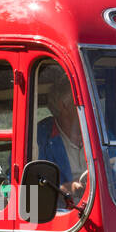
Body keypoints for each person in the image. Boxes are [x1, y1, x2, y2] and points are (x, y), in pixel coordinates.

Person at [34, 67, 87, 206]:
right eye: (83, 100)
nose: (88, 106)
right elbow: (24, 186)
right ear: (63, 105)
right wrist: (65, 189)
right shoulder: (40, 137)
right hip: (60, 218)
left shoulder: (97, 131)